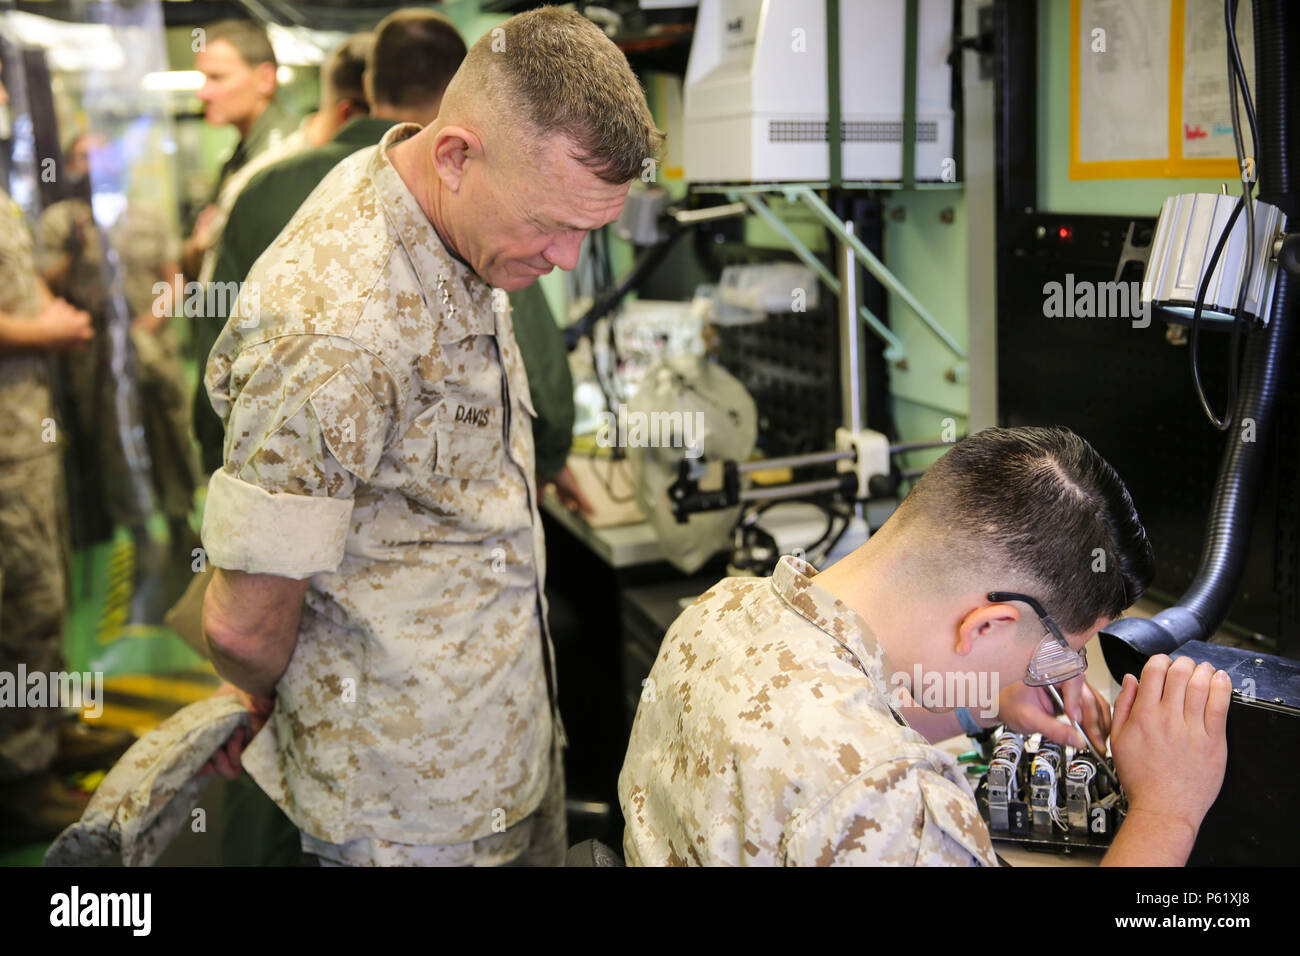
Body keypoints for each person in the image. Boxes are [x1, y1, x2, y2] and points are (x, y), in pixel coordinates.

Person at [198, 7, 662, 866]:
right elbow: (241, 627)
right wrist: (268, 690)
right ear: (455, 154)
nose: (565, 259)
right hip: (408, 808)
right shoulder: (337, 326)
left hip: (506, 742)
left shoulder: (452, 217)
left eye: (586, 230)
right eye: (552, 224)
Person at [619, 426, 1232, 866]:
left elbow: (814, 721)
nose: (1051, 674)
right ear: (986, 626)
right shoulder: (892, 807)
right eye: (1054, 653)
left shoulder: (722, 609)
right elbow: (853, 774)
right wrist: (1167, 811)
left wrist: (981, 707)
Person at [196, 9, 585, 509]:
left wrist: (230, 477)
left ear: (371, 86)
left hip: (275, 517)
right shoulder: (468, 204)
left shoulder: (261, 188)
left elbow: (215, 345)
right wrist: (548, 458)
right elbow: (538, 369)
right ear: (461, 93)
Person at [0, 53, 133, 845]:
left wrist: (47, 302)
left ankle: (43, 733)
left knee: (40, 604)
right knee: (23, 609)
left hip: (25, 440)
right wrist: (42, 330)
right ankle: (20, 782)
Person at [37, 131, 198, 621]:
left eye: (99, 156)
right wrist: (72, 248)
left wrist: (153, 321)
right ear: (70, 167)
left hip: (152, 350)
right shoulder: (60, 222)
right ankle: (140, 542)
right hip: (96, 363)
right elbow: (47, 285)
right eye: (81, 158)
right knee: (114, 447)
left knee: (170, 436)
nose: (91, 165)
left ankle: (180, 534)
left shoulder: (145, 215)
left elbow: (174, 277)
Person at [181, 19, 297, 280]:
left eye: (217, 78)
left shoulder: (282, 159)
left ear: (265, 79)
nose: (203, 93)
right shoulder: (241, 156)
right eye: (203, 79)